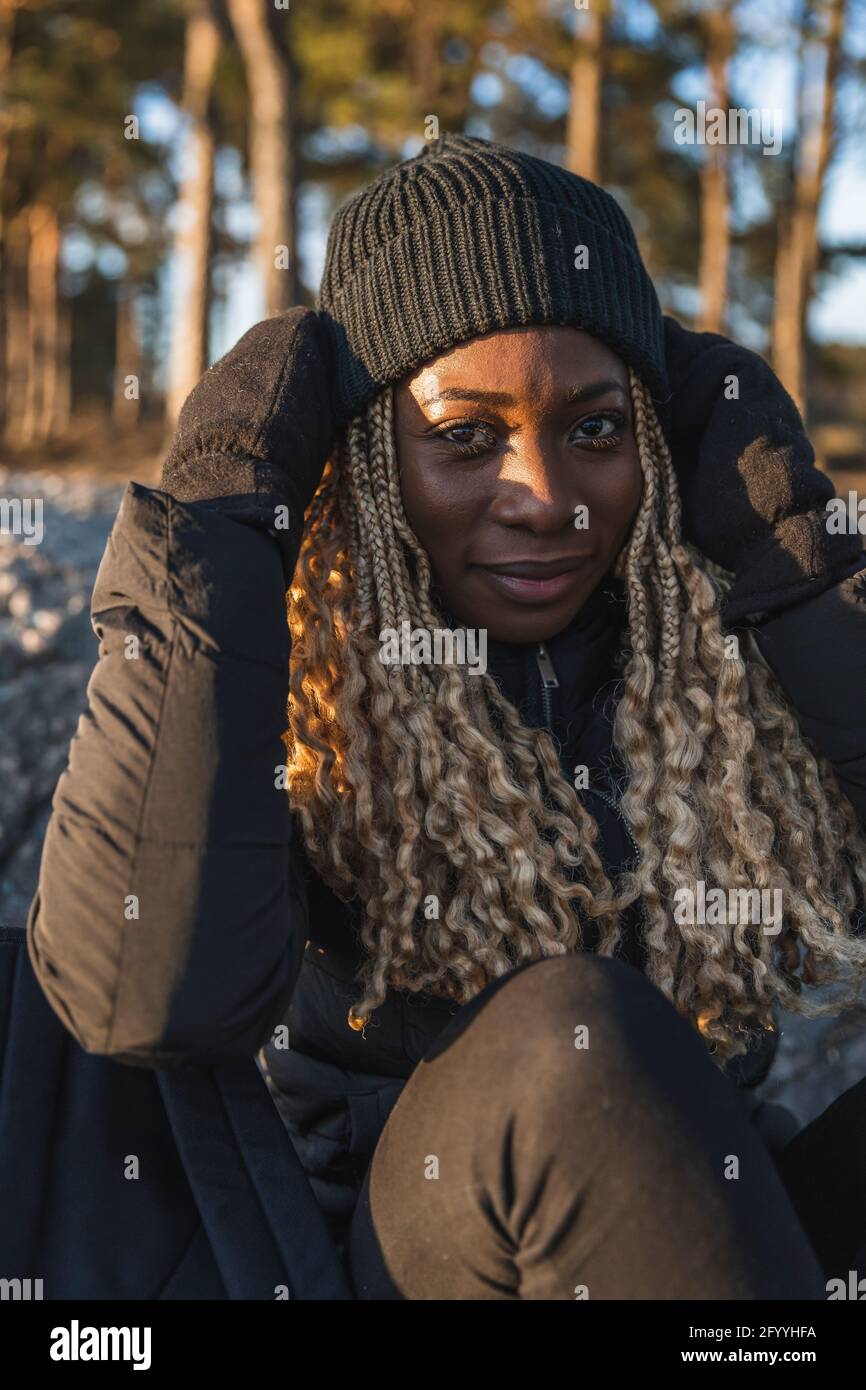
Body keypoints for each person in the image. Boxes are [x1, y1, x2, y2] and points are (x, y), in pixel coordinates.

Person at [26, 133, 866, 1300]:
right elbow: (142, 994)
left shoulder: (705, 663)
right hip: (391, 1257)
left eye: (594, 428)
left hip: (697, 1239)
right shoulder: (288, 678)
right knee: (573, 1043)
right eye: (465, 437)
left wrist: (793, 562)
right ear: (372, 460)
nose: (546, 498)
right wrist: (215, 515)